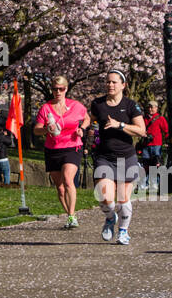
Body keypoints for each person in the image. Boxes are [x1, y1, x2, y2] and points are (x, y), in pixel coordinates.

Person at [90, 69, 147, 245]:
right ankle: (109, 218)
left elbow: (141, 131)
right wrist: (86, 130)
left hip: (126, 157)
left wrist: (120, 125)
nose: (110, 85)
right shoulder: (97, 104)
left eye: (114, 82)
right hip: (105, 156)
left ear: (123, 85)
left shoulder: (131, 105)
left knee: (123, 200)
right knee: (105, 198)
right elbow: (91, 121)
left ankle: (123, 231)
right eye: (108, 82)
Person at [34, 76, 89, 229]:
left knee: (67, 179)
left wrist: (82, 129)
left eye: (61, 89)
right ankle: (70, 215)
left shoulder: (76, 106)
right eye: (55, 89)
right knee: (60, 187)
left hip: (72, 146)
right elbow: (36, 130)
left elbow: (87, 118)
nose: (58, 92)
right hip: (52, 149)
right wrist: (46, 129)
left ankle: (72, 215)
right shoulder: (46, 108)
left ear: (66, 89)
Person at [139, 100, 167, 190]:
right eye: (149, 107)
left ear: (156, 108)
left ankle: (155, 183)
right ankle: (145, 183)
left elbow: (166, 130)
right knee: (145, 165)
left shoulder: (160, 118)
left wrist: (167, 141)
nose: (151, 109)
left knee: (156, 164)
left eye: (153, 107)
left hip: (156, 144)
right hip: (146, 144)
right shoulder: (144, 119)